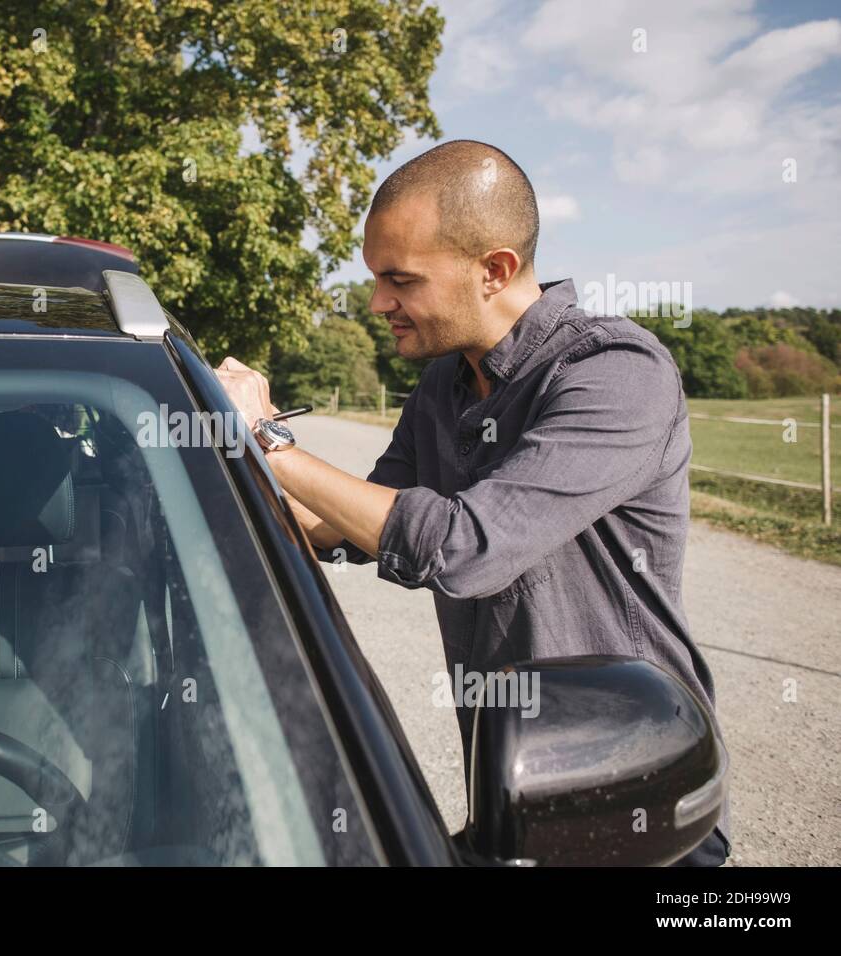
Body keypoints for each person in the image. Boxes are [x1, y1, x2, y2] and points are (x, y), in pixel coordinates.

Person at [215, 140, 730, 866]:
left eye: (400, 280)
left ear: (495, 270)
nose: (378, 303)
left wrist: (269, 441)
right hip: (510, 785)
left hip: (631, 789)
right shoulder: (444, 384)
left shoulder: (615, 372)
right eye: (375, 278)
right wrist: (213, 464)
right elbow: (351, 522)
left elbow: (466, 548)